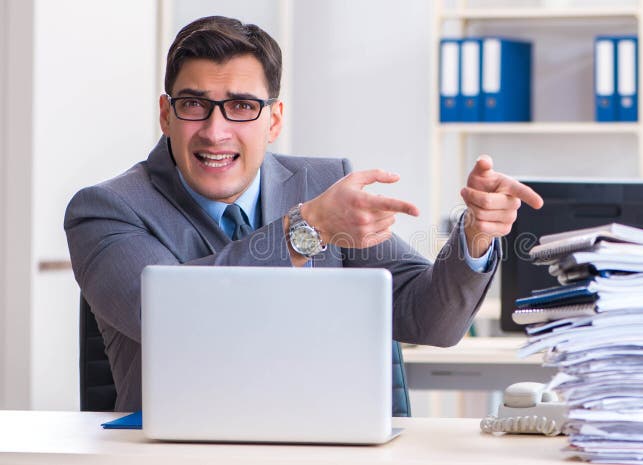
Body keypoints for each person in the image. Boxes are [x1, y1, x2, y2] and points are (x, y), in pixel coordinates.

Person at [64, 16, 543, 412]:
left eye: (241, 106)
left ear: (273, 120)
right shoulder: (107, 209)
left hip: (330, 443)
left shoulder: (324, 185)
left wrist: (476, 237)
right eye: (194, 104)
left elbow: (430, 319)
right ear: (166, 115)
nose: (215, 131)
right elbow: (168, 320)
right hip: (179, 450)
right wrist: (306, 231)